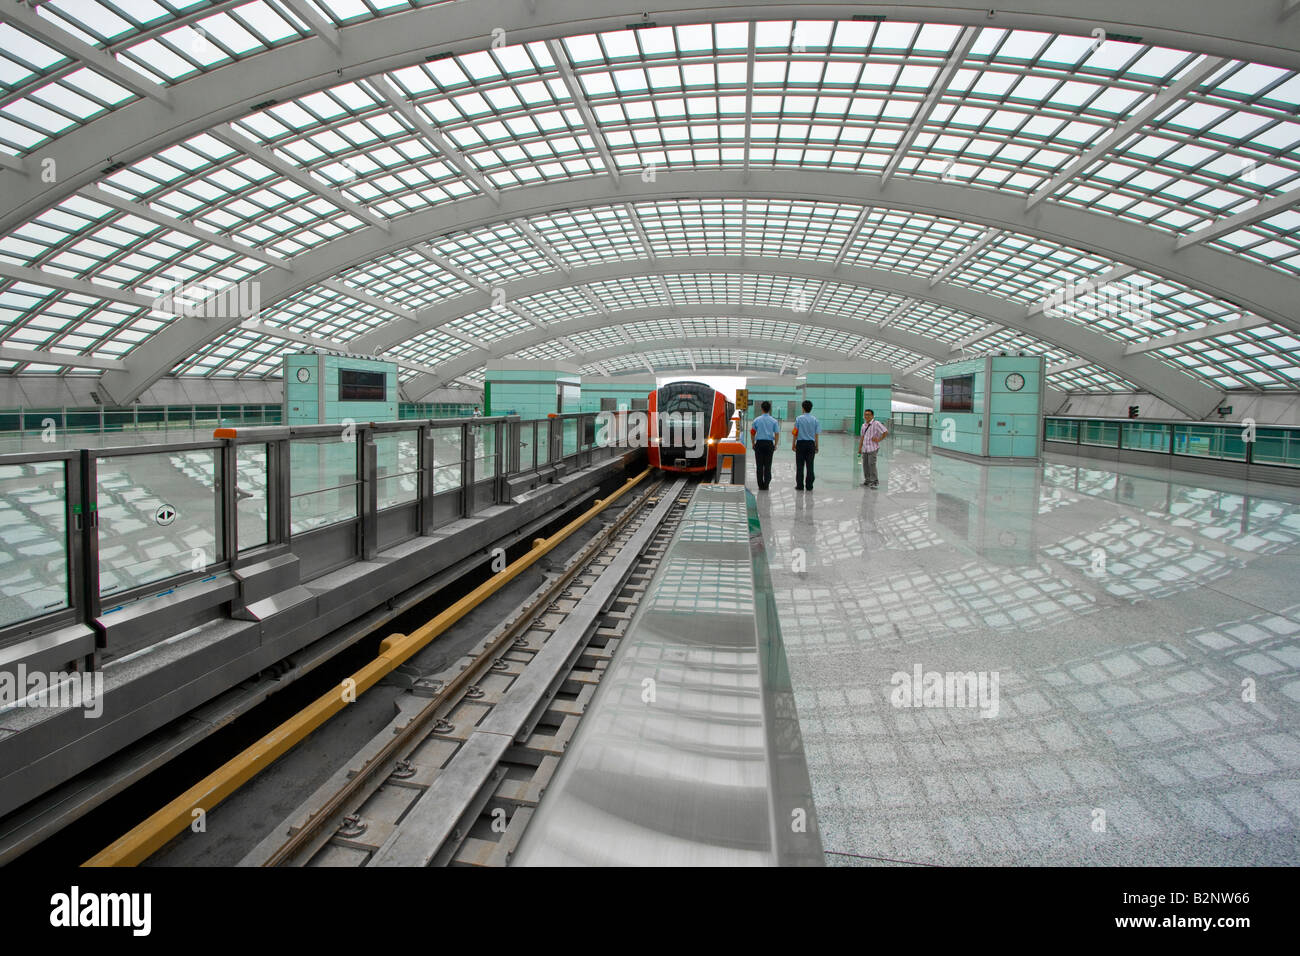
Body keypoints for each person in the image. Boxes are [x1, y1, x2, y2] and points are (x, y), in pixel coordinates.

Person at [749, 400, 779, 490]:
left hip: (759, 444)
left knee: (759, 465)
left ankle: (760, 485)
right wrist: (775, 444)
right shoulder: (774, 421)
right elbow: (777, 433)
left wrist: (753, 443)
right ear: (769, 409)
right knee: (768, 465)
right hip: (769, 444)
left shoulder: (756, 420)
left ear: (761, 408)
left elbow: (752, 433)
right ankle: (766, 485)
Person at [792, 400, 820, 491]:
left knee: (800, 465)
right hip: (811, 444)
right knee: (810, 465)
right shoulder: (815, 420)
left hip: (800, 444)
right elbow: (816, 434)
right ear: (811, 409)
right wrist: (817, 445)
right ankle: (809, 486)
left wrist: (793, 444)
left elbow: (795, 432)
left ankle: (799, 485)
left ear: (803, 408)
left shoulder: (798, 419)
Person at [858, 408, 889, 488]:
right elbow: (862, 437)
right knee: (865, 465)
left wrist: (879, 439)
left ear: (872, 416)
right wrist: (860, 448)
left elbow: (885, 432)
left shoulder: (876, 423)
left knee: (871, 464)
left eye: (868, 415)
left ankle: (874, 481)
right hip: (865, 448)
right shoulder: (863, 425)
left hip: (873, 448)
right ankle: (867, 480)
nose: (866, 416)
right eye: (865, 415)